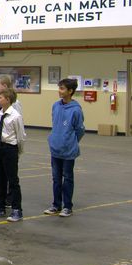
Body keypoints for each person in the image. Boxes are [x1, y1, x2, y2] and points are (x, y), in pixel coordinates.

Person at [45, 78, 85, 218]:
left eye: (62, 89)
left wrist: (71, 141)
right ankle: (56, 204)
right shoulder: (55, 106)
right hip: (55, 148)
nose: (59, 91)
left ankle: (67, 206)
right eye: (59, 88)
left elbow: (79, 130)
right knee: (56, 178)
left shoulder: (76, 110)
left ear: (70, 91)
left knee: (67, 178)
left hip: (68, 150)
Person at [0, 89, 26, 222]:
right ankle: (0, 207)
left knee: (13, 180)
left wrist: (17, 151)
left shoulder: (15, 116)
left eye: (0, 97)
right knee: (0, 179)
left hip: (10, 148)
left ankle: (17, 209)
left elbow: (21, 136)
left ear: (8, 100)